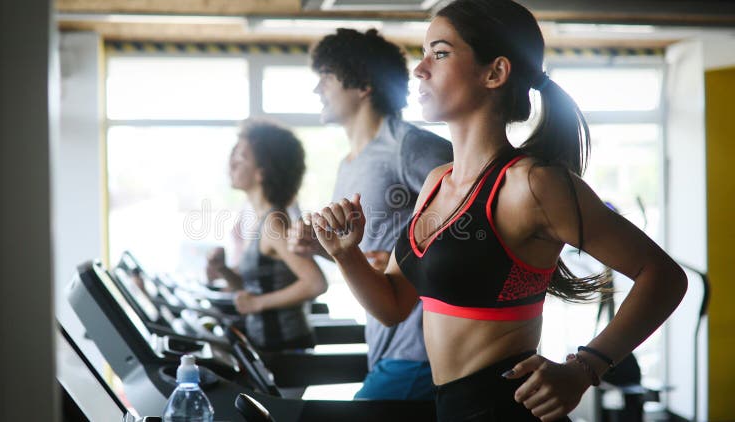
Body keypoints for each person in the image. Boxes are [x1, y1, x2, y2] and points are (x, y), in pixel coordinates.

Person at [309, 1, 687, 420]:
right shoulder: (436, 182)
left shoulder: (532, 184)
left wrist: (586, 367)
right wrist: (345, 254)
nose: (419, 69)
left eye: (440, 53)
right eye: (422, 54)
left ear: (495, 73)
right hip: (446, 408)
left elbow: (664, 276)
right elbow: (394, 305)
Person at [288, 28, 453, 400]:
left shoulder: (410, 146)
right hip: (383, 344)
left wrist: (406, 262)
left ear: (363, 84)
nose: (318, 91)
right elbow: (367, 257)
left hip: (422, 351)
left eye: (326, 79)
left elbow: (480, 222)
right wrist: (321, 247)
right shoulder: (349, 163)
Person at [206, 119, 327, 352]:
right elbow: (254, 287)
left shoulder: (274, 222)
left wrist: (257, 304)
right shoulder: (264, 220)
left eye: (241, 157)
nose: (231, 164)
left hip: (286, 352)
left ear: (261, 172)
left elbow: (315, 283)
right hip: (268, 346)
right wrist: (222, 269)